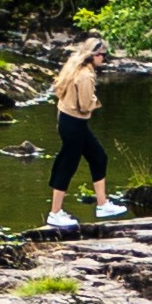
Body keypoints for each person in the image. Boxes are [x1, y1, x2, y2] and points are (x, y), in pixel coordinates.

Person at [41, 37, 118, 226]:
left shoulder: (76, 67)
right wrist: (96, 102)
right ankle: (55, 213)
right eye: (102, 55)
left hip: (69, 121)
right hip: (75, 123)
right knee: (68, 165)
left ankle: (102, 204)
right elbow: (84, 106)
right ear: (93, 55)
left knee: (98, 157)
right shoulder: (86, 76)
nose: (104, 59)